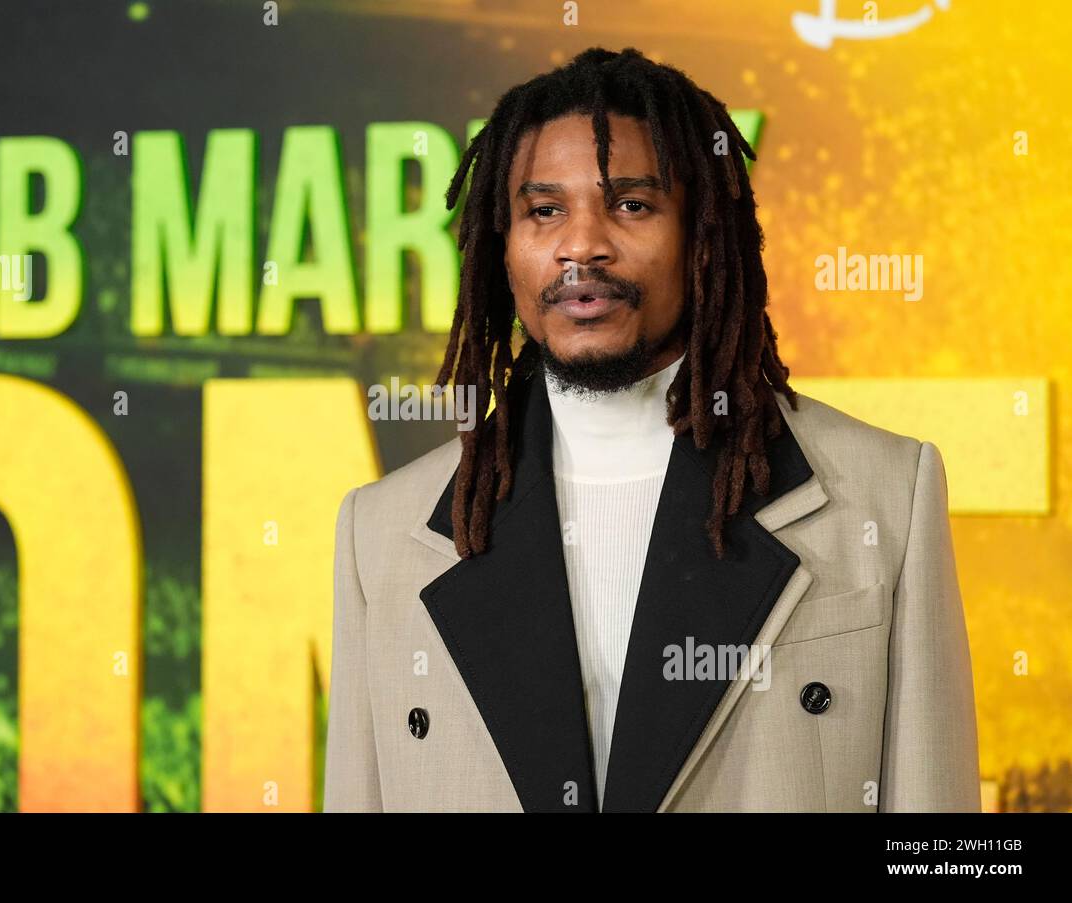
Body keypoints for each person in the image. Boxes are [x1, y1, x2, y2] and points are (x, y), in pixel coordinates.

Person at [323, 47, 980, 812]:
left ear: (703, 235)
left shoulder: (884, 497)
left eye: (632, 204)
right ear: (500, 247)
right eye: (544, 210)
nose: (582, 245)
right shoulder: (382, 533)